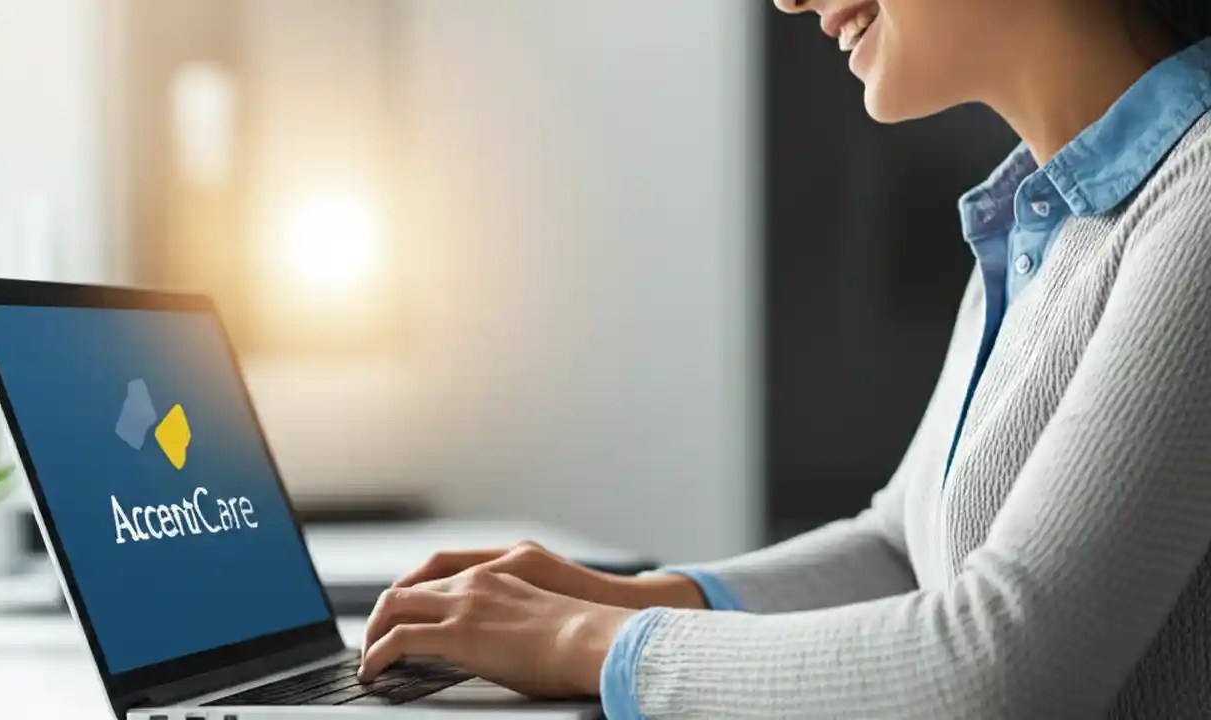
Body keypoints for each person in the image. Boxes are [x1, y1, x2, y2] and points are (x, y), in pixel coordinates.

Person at [359, 0, 1211, 716]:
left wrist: (585, 643)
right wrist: (626, 595)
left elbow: (1000, 670)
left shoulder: (1196, 204)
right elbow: (901, 555)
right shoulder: (1040, 223)